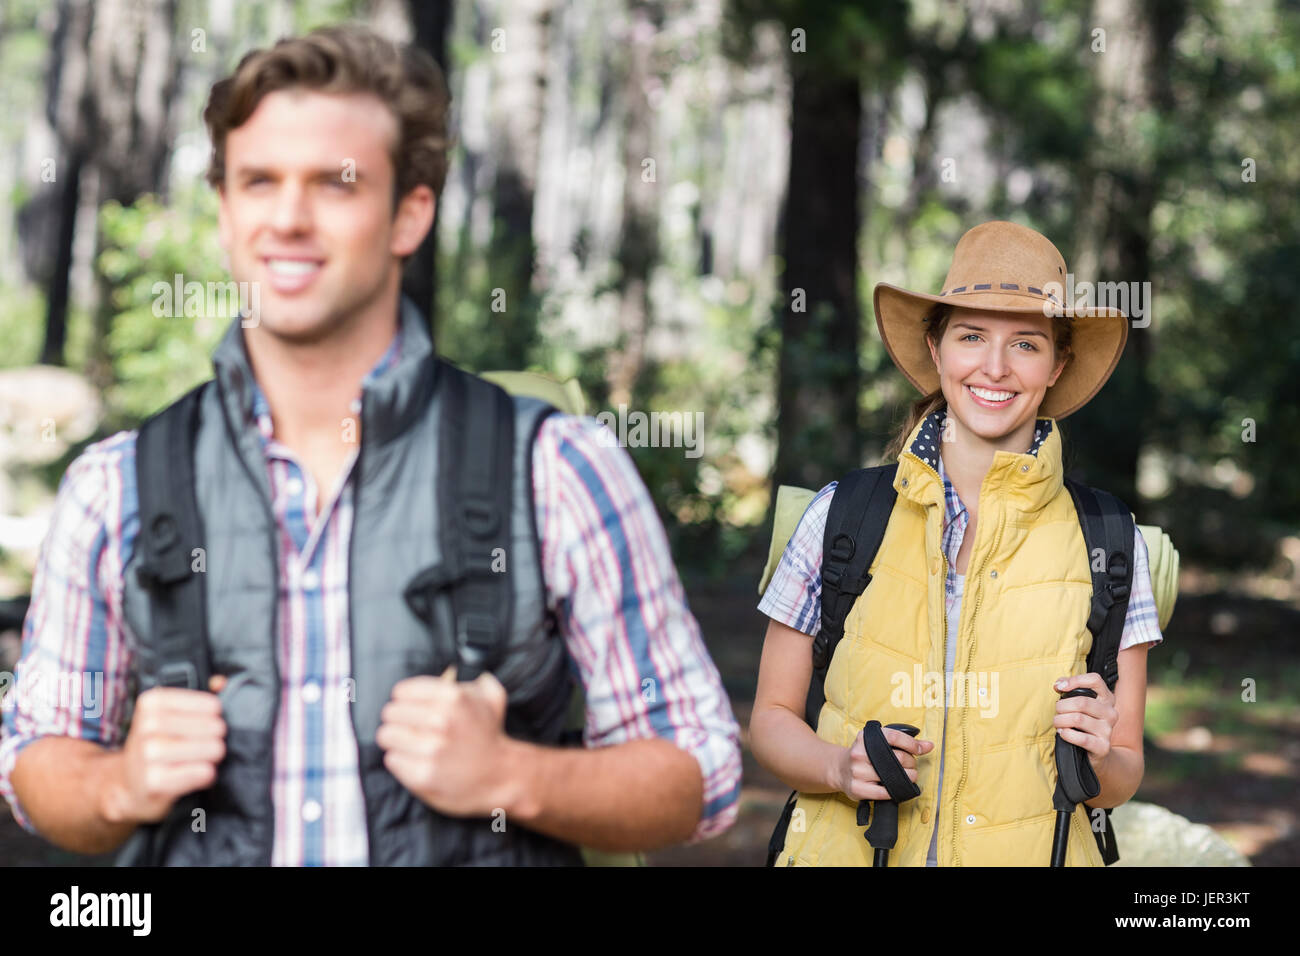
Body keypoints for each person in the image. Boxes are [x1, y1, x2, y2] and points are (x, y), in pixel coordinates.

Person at [0, 24, 740, 866]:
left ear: (408, 215)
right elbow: (33, 762)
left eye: (335, 184)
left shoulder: (557, 469)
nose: (288, 217)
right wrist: (119, 784)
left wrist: (513, 774)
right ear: (226, 209)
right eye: (258, 182)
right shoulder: (117, 485)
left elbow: (702, 771)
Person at [750, 220, 1162, 866]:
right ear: (937, 350)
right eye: (972, 336)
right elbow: (770, 721)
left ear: (1057, 365)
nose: (994, 368)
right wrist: (837, 766)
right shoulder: (841, 518)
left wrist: (1099, 754)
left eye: (1025, 344)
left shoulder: (1111, 541)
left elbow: (1124, 776)